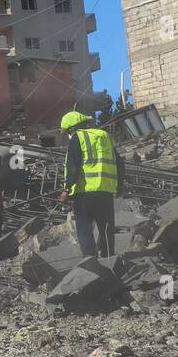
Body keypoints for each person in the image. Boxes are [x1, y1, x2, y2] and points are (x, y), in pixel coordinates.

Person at [58, 110, 122, 258]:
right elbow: (119, 163)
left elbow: (73, 166)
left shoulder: (77, 138)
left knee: (84, 227)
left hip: (84, 191)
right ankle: (109, 256)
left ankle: (90, 258)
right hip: (105, 190)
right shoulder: (105, 136)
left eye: (66, 131)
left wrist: (66, 189)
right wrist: (120, 186)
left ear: (72, 128)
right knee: (106, 226)